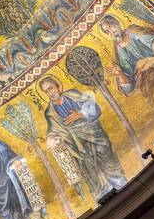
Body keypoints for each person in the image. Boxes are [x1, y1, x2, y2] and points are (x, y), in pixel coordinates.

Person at [40, 75, 128, 204]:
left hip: (95, 136)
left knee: (110, 164)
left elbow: (96, 109)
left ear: (58, 87)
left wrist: (81, 114)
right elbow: (53, 130)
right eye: (46, 91)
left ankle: (124, 188)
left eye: (51, 88)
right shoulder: (49, 113)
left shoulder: (73, 94)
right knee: (92, 175)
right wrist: (51, 139)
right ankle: (105, 201)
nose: (50, 93)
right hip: (78, 147)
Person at [99, 15, 154, 131]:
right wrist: (120, 74)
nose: (111, 32)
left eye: (111, 27)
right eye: (107, 31)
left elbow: (153, 39)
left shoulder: (132, 31)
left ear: (118, 23)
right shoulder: (118, 52)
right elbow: (129, 87)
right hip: (146, 81)